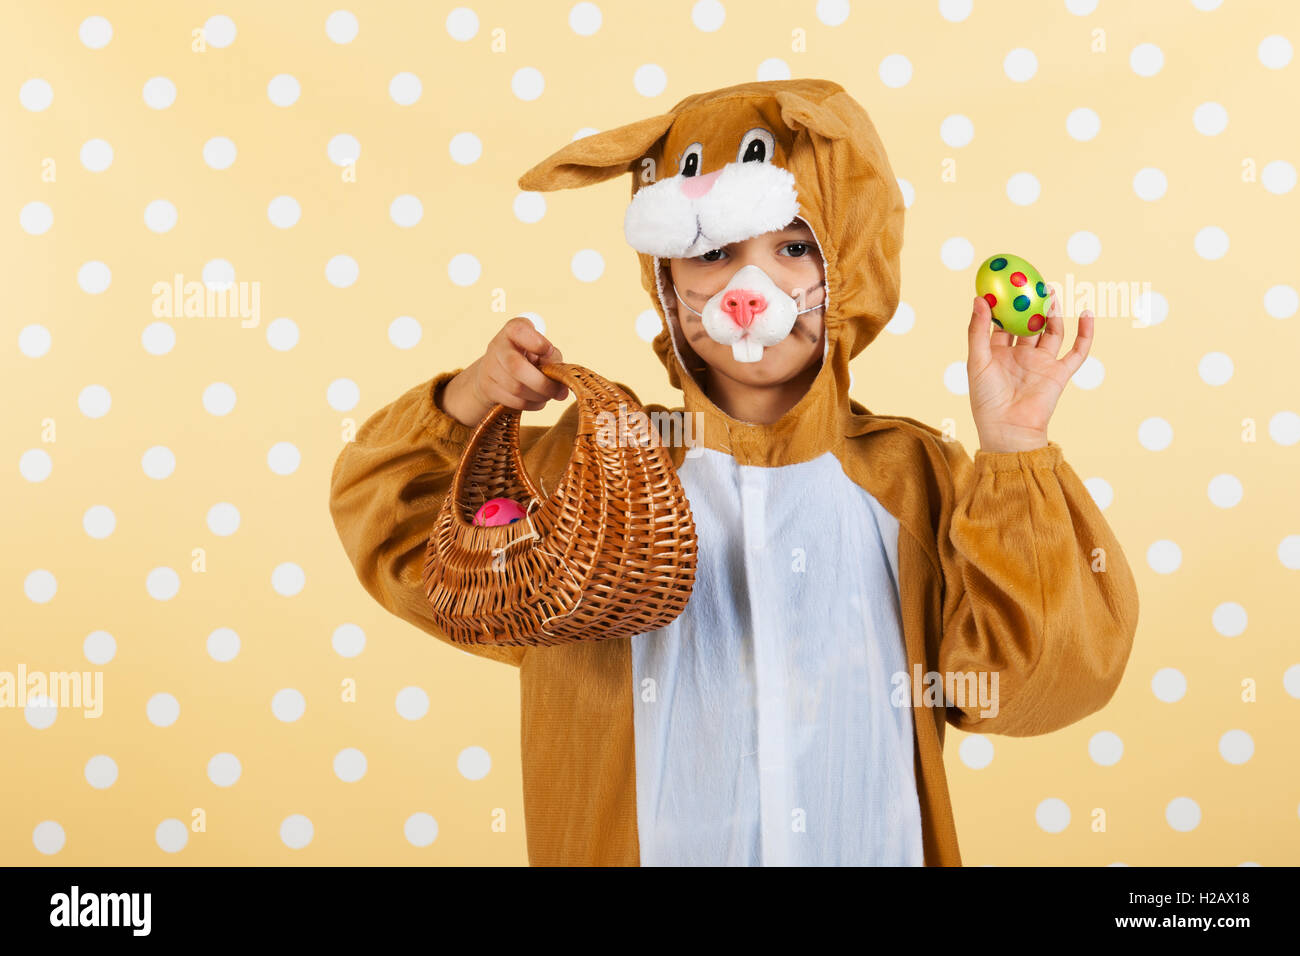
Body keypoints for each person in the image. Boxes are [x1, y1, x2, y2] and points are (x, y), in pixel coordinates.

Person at [328, 78, 1140, 866]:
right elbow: (408, 540)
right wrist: (469, 400)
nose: (751, 290)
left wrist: (1015, 446)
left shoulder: (912, 479)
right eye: (713, 252)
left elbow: (1031, 684)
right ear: (667, 277)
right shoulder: (591, 461)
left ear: (853, 259)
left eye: (793, 247)